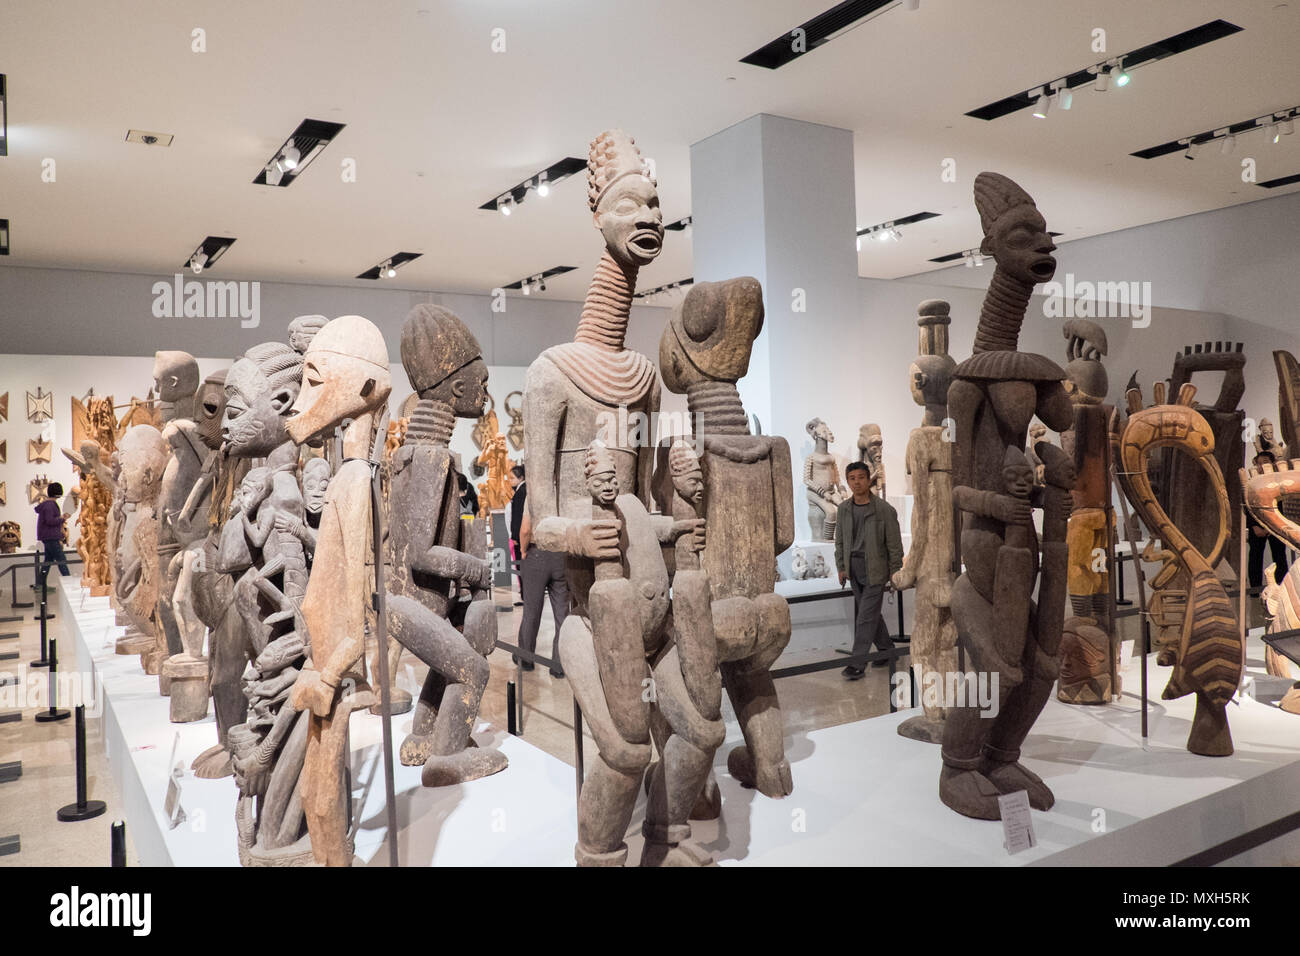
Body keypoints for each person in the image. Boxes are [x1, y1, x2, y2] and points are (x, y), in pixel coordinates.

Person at [834, 461, 903, 680]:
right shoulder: (844, 508)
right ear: (848, 481)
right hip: (853, 569)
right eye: (852, 478)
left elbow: (894, 545)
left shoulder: (884, 510)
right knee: (870, 613)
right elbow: (840, 542)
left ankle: (857, 664)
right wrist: (841, 567)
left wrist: (895, 572)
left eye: (861, 477)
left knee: (864, 617)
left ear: (869, 479)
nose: (857, 482)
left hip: (875, 568)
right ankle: (886, 650)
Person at [515, 502, 568, 678]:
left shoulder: (534, 492)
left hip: (537, 553)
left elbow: (525, 529)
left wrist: (523, 551)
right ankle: (559, 665)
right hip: (561, 555)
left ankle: (526, 659)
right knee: (562, 615)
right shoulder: (562, 492)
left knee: (532, 611)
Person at [1247, 452, 1290, 590]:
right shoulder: (1252, 483)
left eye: (1265, 462)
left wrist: (1275, 525)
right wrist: (1254, 526)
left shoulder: (1278, 482)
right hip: (1257, 525)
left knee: (1279, 556)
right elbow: (1248, 506)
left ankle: (1282, 589)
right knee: (1255, 555)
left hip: (1275, 524)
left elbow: (1280, 505)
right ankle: (1255, 590)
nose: (1262, 466)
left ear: (1272, 463)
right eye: (1259, 463)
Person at [35, 481, 71, 586]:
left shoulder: (47, 504)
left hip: (47, 536)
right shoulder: (50, 505)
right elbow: (50, 521)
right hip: (51, 536)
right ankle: (69, 583)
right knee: (61, 560)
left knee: (48, 561)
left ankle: (40, 584)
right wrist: (62, 518)